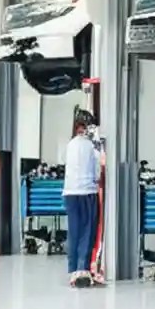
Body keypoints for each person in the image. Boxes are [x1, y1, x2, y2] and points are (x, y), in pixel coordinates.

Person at [63, 114, 101, 288]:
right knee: (87, 230)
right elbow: (98, 173)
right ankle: (82, 268)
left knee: (74, 231)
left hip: (70, 192)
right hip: (87, 192)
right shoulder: (92, 147)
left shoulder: (69, 145)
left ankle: (72, 270)